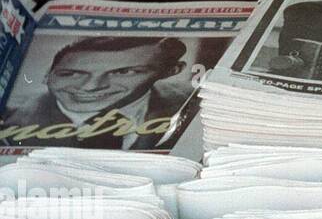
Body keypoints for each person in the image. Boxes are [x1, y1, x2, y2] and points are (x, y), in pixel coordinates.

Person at [1, 37, 190, 149]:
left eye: (123, 72)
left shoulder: (198, 103)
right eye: (71, 74)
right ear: (47, 75)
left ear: (171, 71)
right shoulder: (10, 116)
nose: (91, 87)